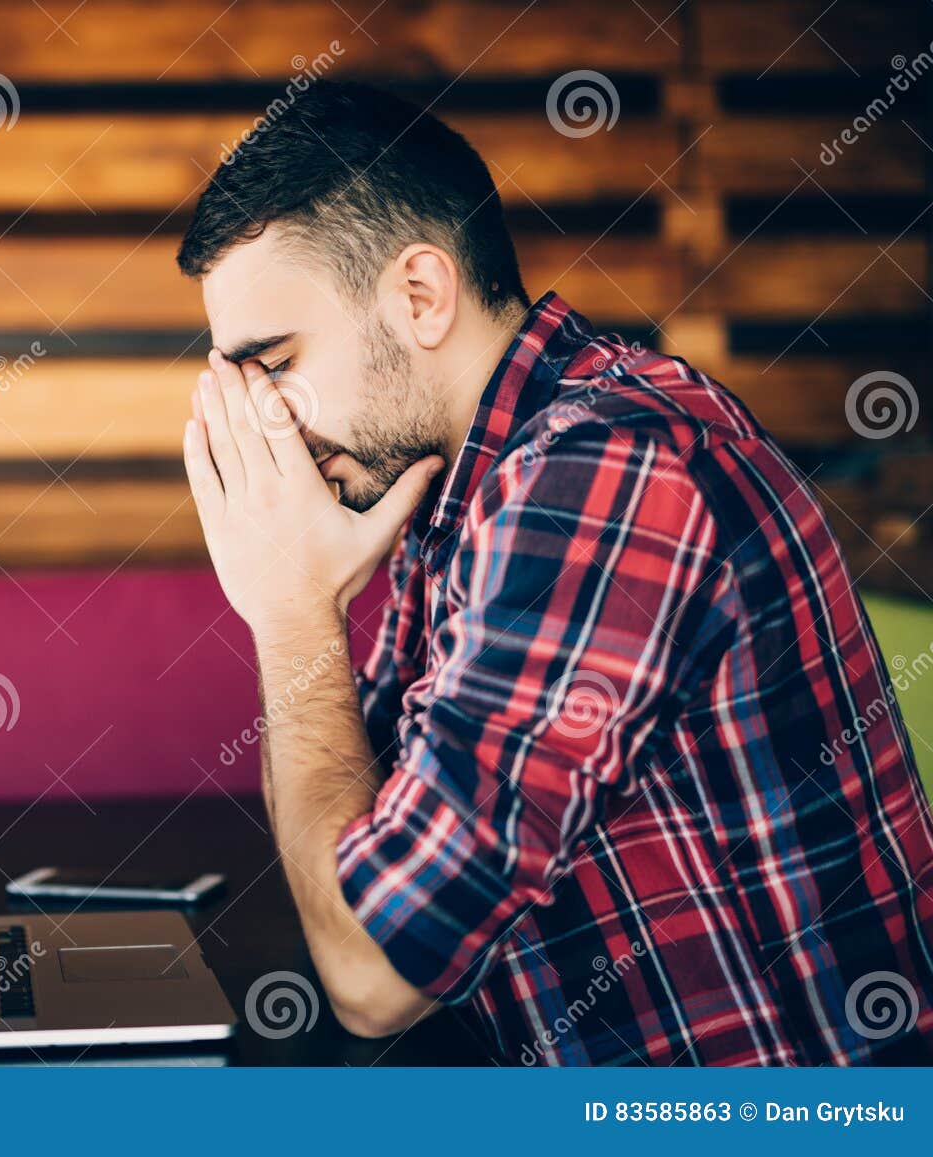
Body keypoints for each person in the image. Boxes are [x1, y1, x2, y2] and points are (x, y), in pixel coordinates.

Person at [176, 80, 933, 1065]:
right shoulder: (456, 480)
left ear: (417, 294)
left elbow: (372, 969)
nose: (267, 421)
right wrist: (297, 599)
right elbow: (360, 854)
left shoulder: (599, 474)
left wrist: (287, 608)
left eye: (273, 364)